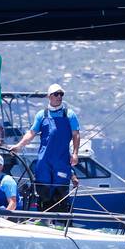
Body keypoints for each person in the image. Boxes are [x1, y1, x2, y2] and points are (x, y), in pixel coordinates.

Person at [10, 83, 81, 212]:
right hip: (44, 162)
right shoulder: (41, 115)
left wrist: (75, 153)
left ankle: (61, 223)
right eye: (56, 94)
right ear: (49, 96)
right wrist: (19, 146)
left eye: (61, 94)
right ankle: (43, 220)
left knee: (60, 193)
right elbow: (31, 133)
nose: (59, 97)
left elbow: (76, 135)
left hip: (61, 161)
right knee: (43, 192)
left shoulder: (69, 114)